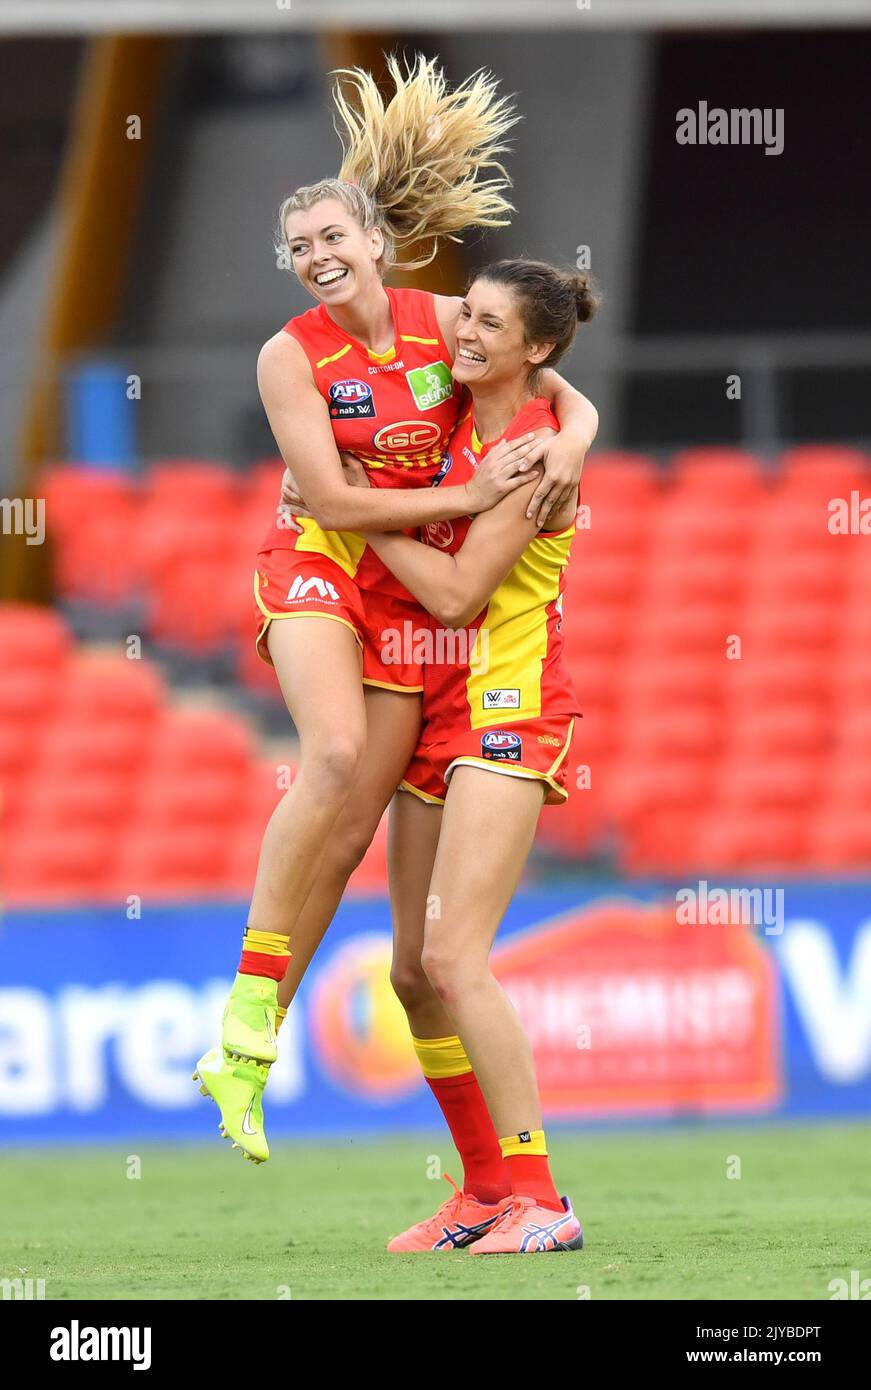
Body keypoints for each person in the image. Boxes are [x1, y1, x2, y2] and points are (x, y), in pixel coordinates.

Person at [193, 56, 598, 1163]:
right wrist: (468, 491)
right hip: (322, 558)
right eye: (300, 247)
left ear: (377, 242)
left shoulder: (445, 325)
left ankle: (254, 1048)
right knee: (327, 759)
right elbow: (324, 498)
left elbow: (557, 380)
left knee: (362, 827)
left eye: (334, 238)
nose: (318, 258)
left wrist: (577, 436)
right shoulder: (291, 355)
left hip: (407, 602)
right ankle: (247, 1009)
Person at [346, 259, 598, 1252]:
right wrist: (582, 419)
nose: (465, 332)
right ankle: (486, 1190)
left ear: (531, 347)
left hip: (508, 704)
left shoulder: (538, 459)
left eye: (489, 324)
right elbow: (569, 390)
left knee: (454, 956)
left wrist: (354, 509)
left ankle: (545, 1201)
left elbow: (454, 597)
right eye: (468, 315)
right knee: (410, 970)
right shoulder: (470, 402)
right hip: (434, 705)